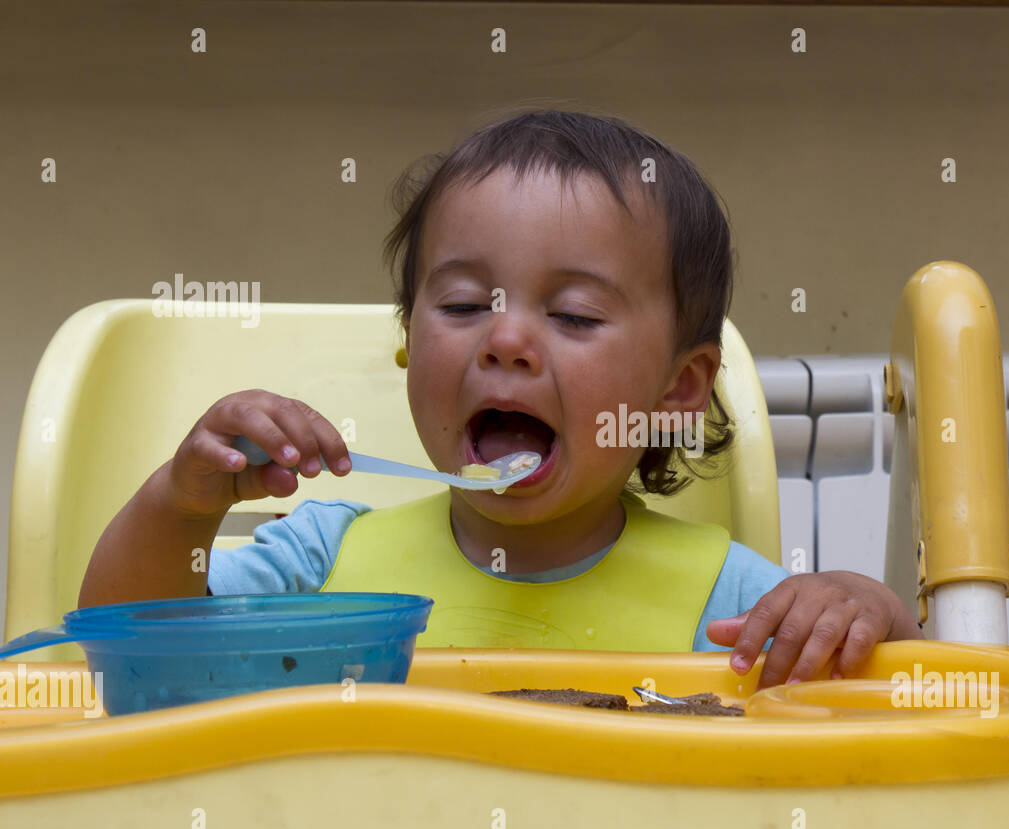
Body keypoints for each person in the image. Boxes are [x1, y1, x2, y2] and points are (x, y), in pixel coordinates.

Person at [78, 109, 922, 688]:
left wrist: (868, 612)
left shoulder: (731, 605)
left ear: (675, 390)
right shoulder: (322, 565)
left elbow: (904, 717)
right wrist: (181, 503)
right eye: (460, 305)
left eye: (573, 314)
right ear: (409, 340)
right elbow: (131, 652)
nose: (506, 339)